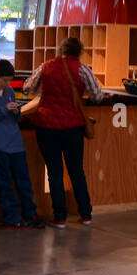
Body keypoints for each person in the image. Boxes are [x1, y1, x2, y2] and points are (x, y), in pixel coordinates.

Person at [22, 37, 102, 228]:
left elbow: (27, 88)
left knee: (55, 172)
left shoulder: (45, 66)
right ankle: (86, 214)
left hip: (46, 126)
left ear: (61, 50)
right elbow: (98, 96)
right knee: (76, 171)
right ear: (79, 52)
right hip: (72, 127)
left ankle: (59, 218)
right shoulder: (83, 69)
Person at [0, 59, 43, 230]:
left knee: (23, 180)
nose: (7, 84)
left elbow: (14, 118)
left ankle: (30, 213)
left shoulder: (10, 91)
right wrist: (4, 110)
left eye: (9, 81)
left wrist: (16, 112)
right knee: (5, 183)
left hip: (15, 143)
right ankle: (11, 217)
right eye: (4, 80)